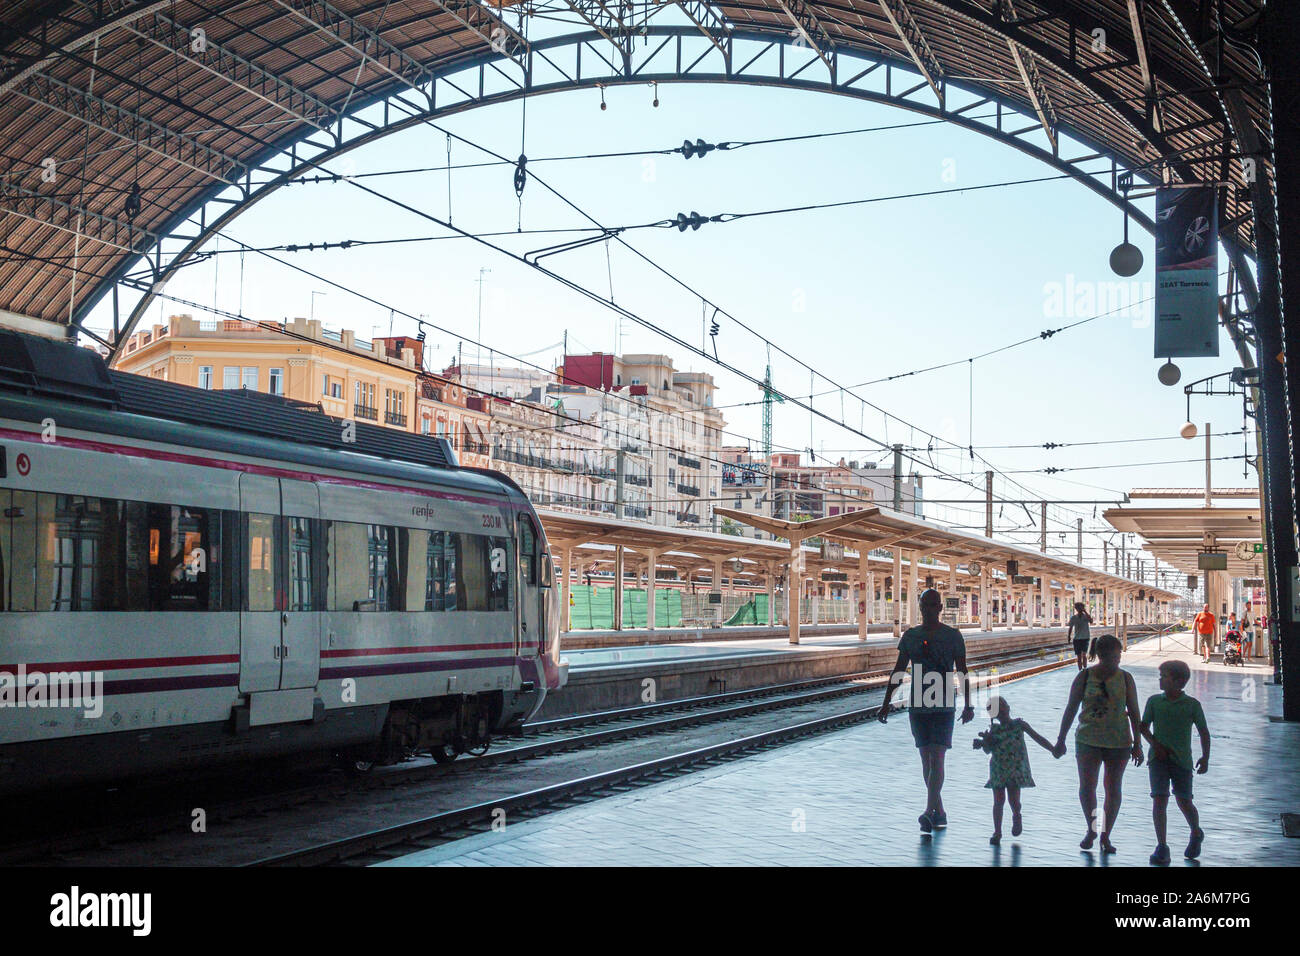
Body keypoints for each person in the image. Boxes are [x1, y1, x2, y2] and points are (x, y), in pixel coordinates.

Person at [878, 588, 975, 833]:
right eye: (925, 605)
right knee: (927, 758)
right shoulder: (912, 636)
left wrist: (969, 703)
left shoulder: (953, 636)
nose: (928, 609)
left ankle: (928, 811)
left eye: (932, 605)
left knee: (937, 756)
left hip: (942, 700)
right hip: (920, 702)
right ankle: (938, 811)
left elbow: (962, 671)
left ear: (940, 608)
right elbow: (898, 671)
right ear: (920, 607)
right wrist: (886, 701)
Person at [1053, 634, 1144, 854]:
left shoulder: (1126, 678)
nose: (1120, 659)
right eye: (1117, 654)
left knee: (1112, 789)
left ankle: (1105, 835)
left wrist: (1138, 743)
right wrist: (1061, 739)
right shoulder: (1085, 677)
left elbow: (1134, 712)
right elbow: (1071, 708)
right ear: (1105, 655)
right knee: (1088, 788)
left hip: (1119, 741)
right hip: (1088, 739)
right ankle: (1092, 828)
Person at [1140, 659, 1210, 864]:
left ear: (1179, 681)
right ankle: (1161, 845)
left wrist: (1205, 757)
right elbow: (1143, 726)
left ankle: (1196, 832)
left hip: (1182, 761)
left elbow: (1204, 732)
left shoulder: (1192, 705)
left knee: (1184, 800)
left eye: (1164, 677)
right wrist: (1155, 745)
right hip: (1158, 760)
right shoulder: (1154, 702)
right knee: (1159, 799)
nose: (1161, 680)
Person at [973, 696, 1055, 845]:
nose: (1002, 710)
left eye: (1003, 706)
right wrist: (984, 742)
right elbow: (987, 750)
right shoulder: (994, 730)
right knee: (998, 801)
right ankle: (997, 832)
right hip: (998, 769)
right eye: (998, 709)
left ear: (1008, 708)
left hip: (1015, 770)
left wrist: (1052, 749)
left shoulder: (1020, 725)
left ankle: (1017, 815)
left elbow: (1037, 737)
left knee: (1014, 800)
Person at [1066, 602, 1093, 671]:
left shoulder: (1086, 616)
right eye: (1077, 607)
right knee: (1078, 657)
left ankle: (1085, 669)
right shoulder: (1074, 618)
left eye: (1080, 607)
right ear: (1076, 609)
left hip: (1085, 638)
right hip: (1077, 639)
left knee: (1084, 655)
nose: (1079, 609)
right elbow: (1070, 627)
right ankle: (1080, 671)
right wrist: (1069, 636)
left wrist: (1085, 611)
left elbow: (1091, 621)